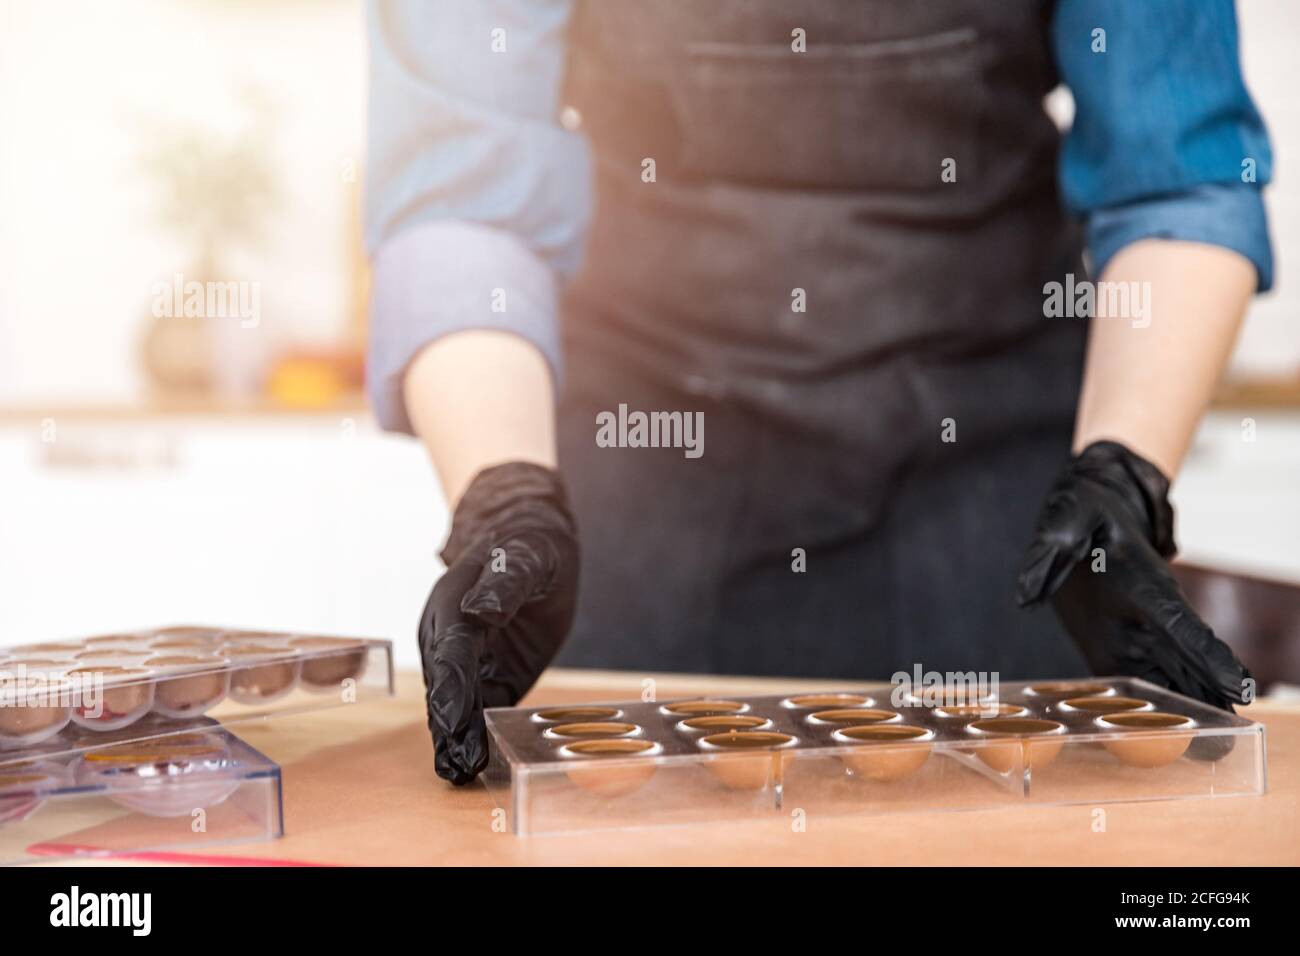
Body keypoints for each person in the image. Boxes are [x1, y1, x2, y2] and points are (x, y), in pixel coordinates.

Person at [364, 0, 1272, 784]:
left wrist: (1123, 470)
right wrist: (505, 493)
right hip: (646, 477)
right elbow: (462, 194)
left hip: (993, 490)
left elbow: (1178, 180)